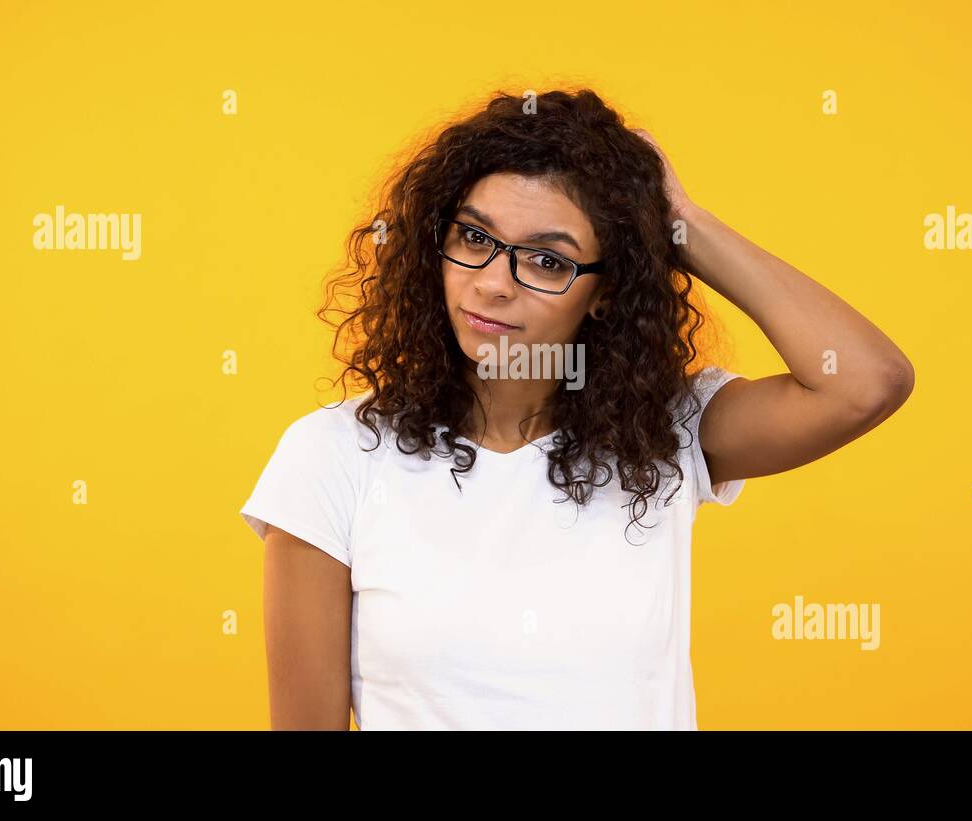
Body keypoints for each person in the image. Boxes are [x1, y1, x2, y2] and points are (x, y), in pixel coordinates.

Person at [240, 88, 914, 730]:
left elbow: (865, 381)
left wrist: (681, 221)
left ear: (606, 291)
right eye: (475, 239)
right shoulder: (332, 457)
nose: (493, 283)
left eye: (545, 260)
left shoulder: (666, 431)